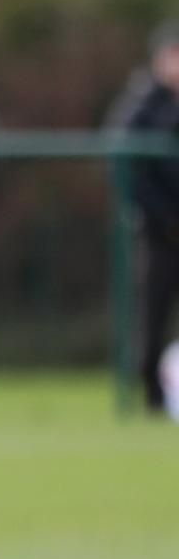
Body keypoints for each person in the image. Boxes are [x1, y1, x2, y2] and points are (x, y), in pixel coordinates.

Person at [109, 21, 179, 414]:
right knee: (153, 315)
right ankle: (152, 395)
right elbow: (127, 167)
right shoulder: (142, 105)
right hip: (159, 231)